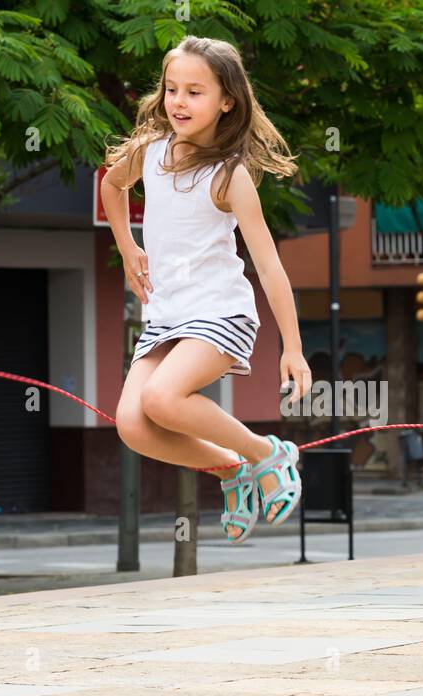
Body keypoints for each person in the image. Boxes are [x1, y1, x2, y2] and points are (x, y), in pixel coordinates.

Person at [100, 36, 312, 543]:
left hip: (220, 313)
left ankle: (269, 455)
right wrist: (129, 249)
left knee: (164, 398)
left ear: (227, 100)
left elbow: (269, 264)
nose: (178, 101)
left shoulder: (230, 175)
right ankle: (231, 470)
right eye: (172, 89)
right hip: (165, 315)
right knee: (132, 424)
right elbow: (111, 184)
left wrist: (294, 347)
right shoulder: (150, 152)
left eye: (194, 92)